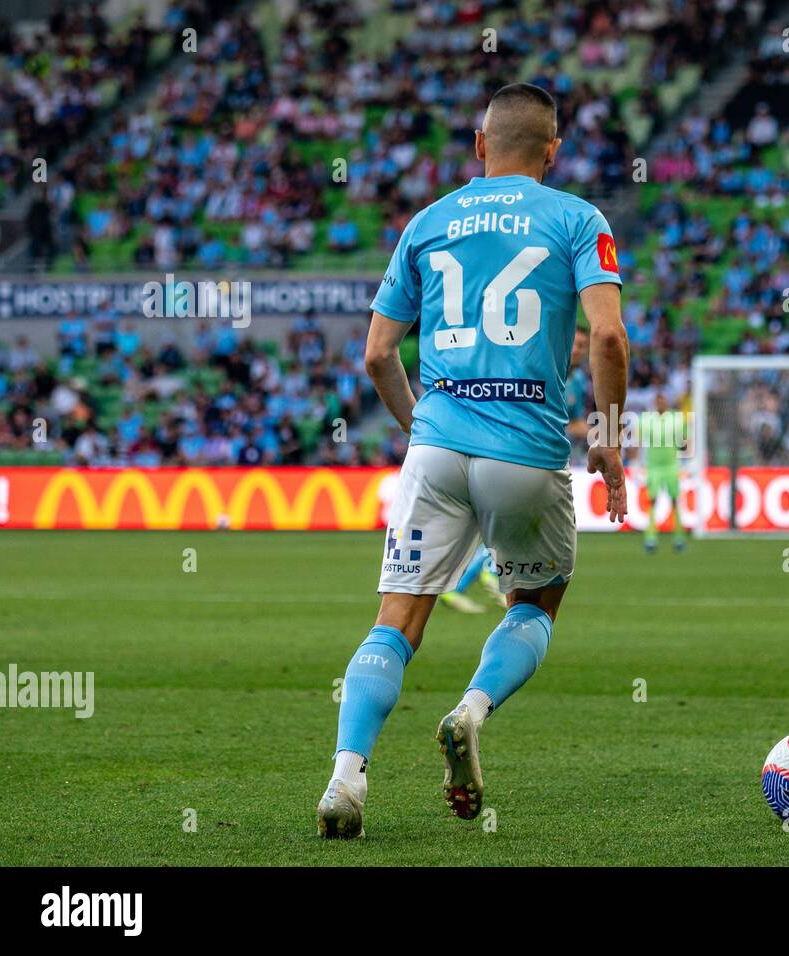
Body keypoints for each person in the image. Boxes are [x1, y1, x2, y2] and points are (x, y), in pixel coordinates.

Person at [317, 83, 629, 837]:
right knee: (534, 604)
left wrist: (421, 426)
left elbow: (378, 354)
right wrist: (609, 437)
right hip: (524, 451)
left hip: (437, 447)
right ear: (552, 153)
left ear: (479, 145)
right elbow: (610, 339)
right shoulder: (578, 219)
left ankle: (346, 779)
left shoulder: (427, 222)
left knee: (395, 622)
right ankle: (472, 708)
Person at [638, 391, 688, 552]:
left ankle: (679, 537)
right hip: (654, 466)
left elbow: (684, 442)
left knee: (675, 501)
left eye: (662, 400)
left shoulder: (676, 419)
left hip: (671, 465)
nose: (660, 404)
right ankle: (651, 538)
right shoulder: (647, 420)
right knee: (652, 501)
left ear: (666, 402)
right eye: (658, 401)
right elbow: (638, 441)